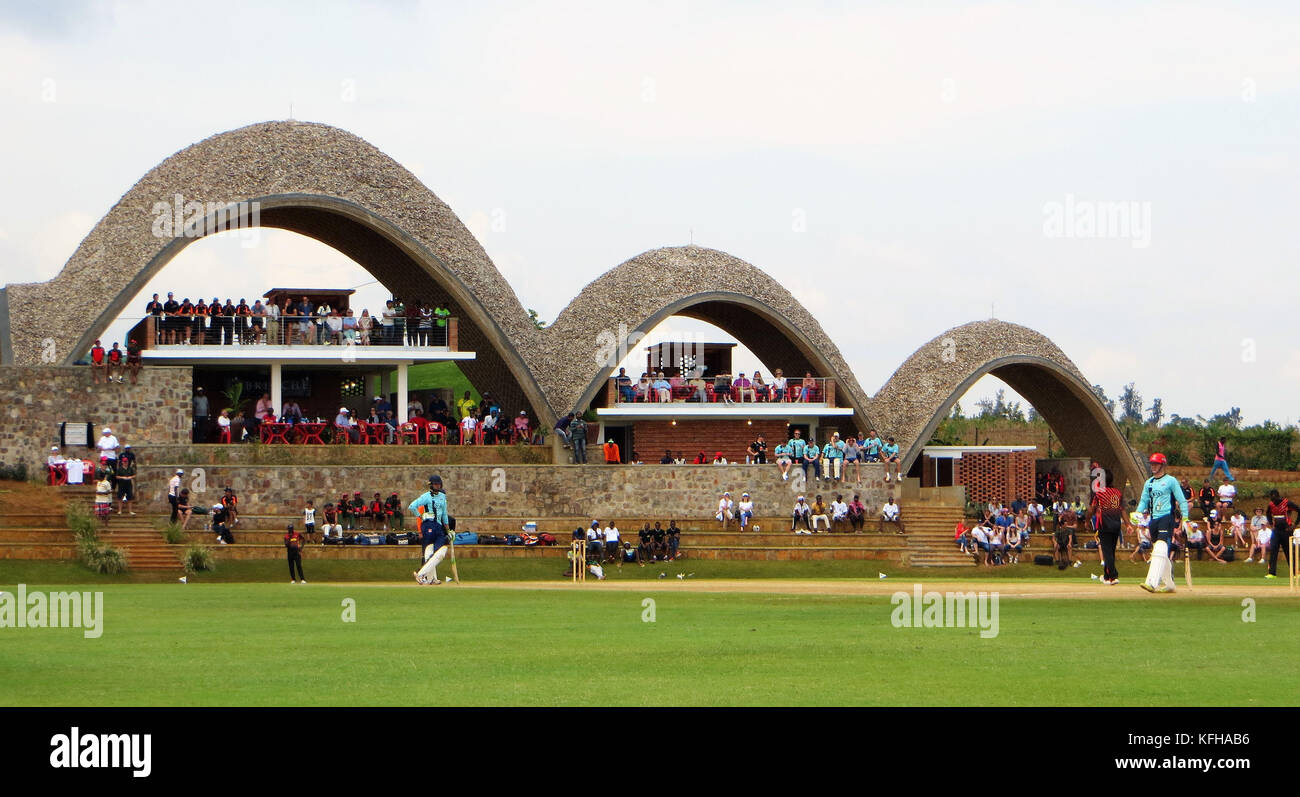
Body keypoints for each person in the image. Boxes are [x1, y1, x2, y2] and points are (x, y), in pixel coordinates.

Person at [1138, 453, 1190, 593]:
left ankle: (1152, 582)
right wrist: (1137, 514)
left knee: (1160, 547)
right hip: (1153, 520)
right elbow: (1144, 500)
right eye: (1152, 464)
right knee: (1160, 552)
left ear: (1162, 465)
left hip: (1166, 518)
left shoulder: (1171, 481)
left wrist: (1185, 518)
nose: (1153, 466)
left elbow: (1182, 500)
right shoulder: (1148, 483)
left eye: (1156, 464)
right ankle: (1170, 584)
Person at [411, 475, 452, 585]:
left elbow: (444, 515)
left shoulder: (443, 497)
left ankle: (426, 576)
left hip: (438, 526)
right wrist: (421, 516)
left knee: (440, 551)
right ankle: (427, 577)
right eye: (435, 484)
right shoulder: (426, 496)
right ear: (431, 485)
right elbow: (412, 506)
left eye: (439, 484)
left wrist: (449, 530)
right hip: (428, 525)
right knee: (429, 550)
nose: (437, 486)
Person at [1089, 468, 1124, 584]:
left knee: (1106, 551)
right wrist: (1128, 524)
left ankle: (1113, 576)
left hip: (1104, 525)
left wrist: (1086, 519)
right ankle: (1106, 576)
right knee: (1110, 551)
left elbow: (1092, 508)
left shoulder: (1099, 493)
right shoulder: (1118, 493)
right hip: (1116, 524)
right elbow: (1122, 509)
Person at [1264, 489, 1300, 580]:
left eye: (1274, 498)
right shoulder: (1271, 504)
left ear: (1277, 496)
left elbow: (1299, 510)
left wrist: (1294, 525)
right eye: (1271, 498)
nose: (1273, 500)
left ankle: (1296, 573)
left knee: (1289, 552)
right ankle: (1272, 573)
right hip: (1276, 531)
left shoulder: (1286, 503)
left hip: (1286, 530)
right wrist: (1271, 524)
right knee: (1273, 551)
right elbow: (1268, 514)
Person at [115, 451, 137, 516]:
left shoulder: (130, 469)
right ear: (122, 462)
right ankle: (120, 510)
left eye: (126, 461)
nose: (125, 463)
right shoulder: (119, 469)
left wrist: (130, 477)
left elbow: (134, 475)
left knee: (130, 498)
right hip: (121, 484)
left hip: (128, 484)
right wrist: (123, 477)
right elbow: (116, 476)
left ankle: (130, 511)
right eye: (124, 462)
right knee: (120, 497)